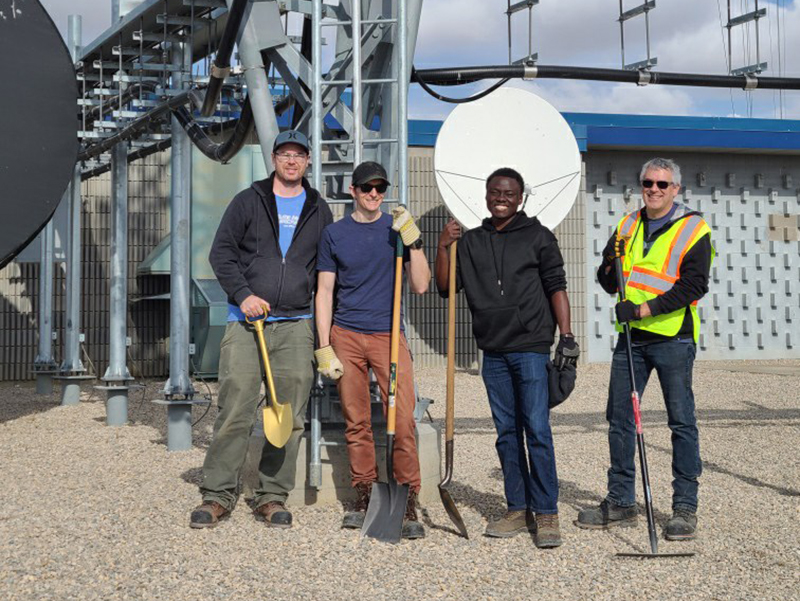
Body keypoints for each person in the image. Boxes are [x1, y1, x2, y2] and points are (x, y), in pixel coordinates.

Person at [190, 130, 333, 529]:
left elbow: (327, 270)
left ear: (307, 161)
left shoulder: (319, 209)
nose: (292, 161)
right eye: (285, 154)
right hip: (246, 323)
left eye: (299, 155)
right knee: (235, 409)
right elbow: (221, 253)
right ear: (274, 159)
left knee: (287, 416)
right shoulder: (248, 201)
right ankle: (217, 494)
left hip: (295, 326)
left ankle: (271, 495)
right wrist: (244, 294)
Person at [435, 167, 577, 549]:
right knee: (506, 432)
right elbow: (446, 288)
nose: (502, 197)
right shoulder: (470, 241)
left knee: (537, 428)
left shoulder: (539, 237)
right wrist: (442, 245)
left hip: (530, 345)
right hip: (492, 350)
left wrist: (566, 336)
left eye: (509, 193)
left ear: (520, 198)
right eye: (495, 191)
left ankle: (546, 512)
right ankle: (517, 508)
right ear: (486, 196)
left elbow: (556, 287)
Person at [576, 157, 713, 541]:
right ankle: (621, 502)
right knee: (619, 420)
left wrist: (642, 309)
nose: (653, 189)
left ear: (676, 190)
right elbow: (608, 280)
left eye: (662, 184)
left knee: (680, 421)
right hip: (631, 340)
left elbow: (693, 286)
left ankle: (685, 507)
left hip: (672, 337)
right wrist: (608, 264)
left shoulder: (694, 229)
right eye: (648, 183)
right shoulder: (627, 225)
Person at [314, 161, 431, 540]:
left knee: (403, 419)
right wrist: (324, 346)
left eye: (380, 188)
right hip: (346, 335)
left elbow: (421, 286)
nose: (374, 194)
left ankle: (407, 496)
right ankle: (364, 495)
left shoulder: (395, 231)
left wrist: (414, 243)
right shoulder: (335, 234)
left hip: (387, 336)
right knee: (357, 420)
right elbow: (325, 292)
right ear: (353, 190)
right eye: (367, 188)